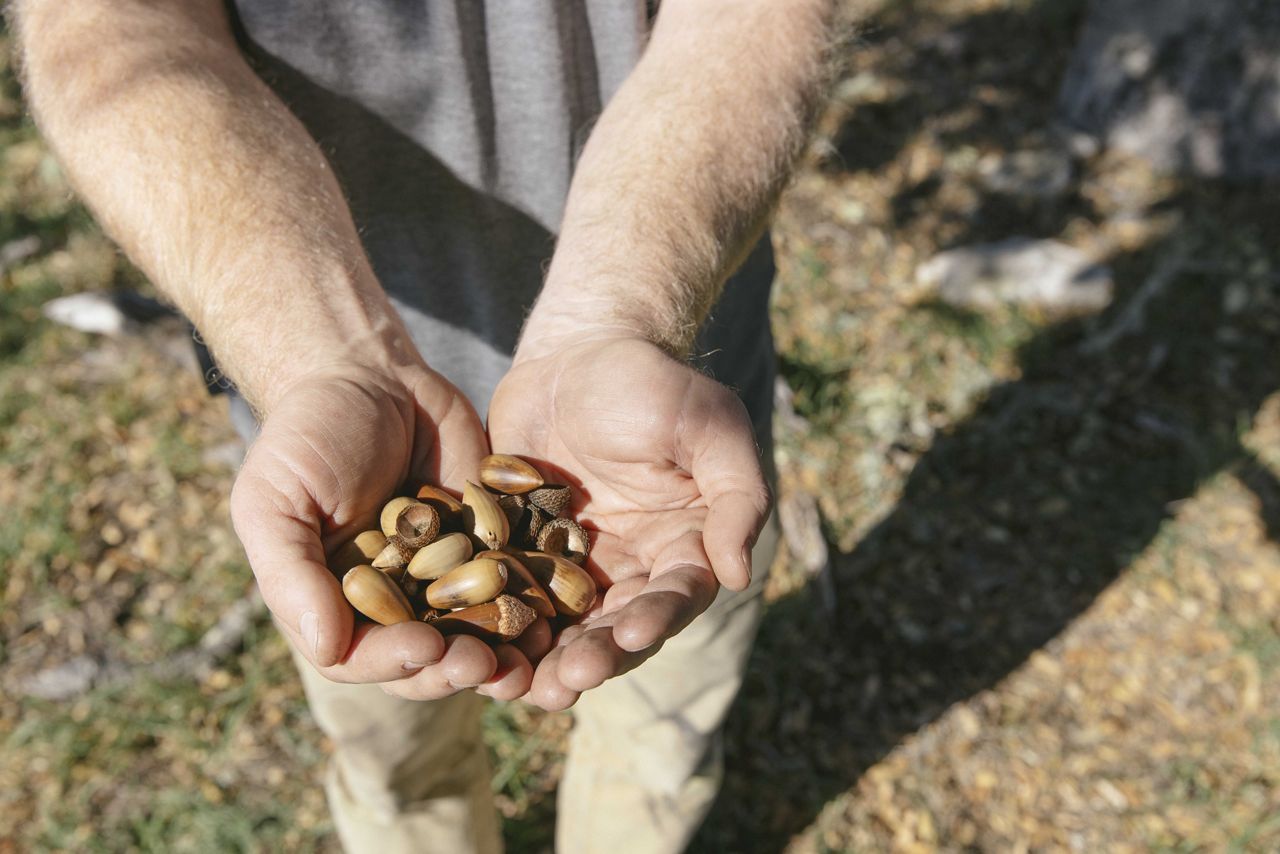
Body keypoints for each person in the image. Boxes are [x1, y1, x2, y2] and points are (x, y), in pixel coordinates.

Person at [13, 1, 835, 850]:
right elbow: (110, 36)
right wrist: (324, 355)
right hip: (343, 456)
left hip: (663, 428)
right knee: (396, 759)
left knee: (661, 738)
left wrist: (619, 312)